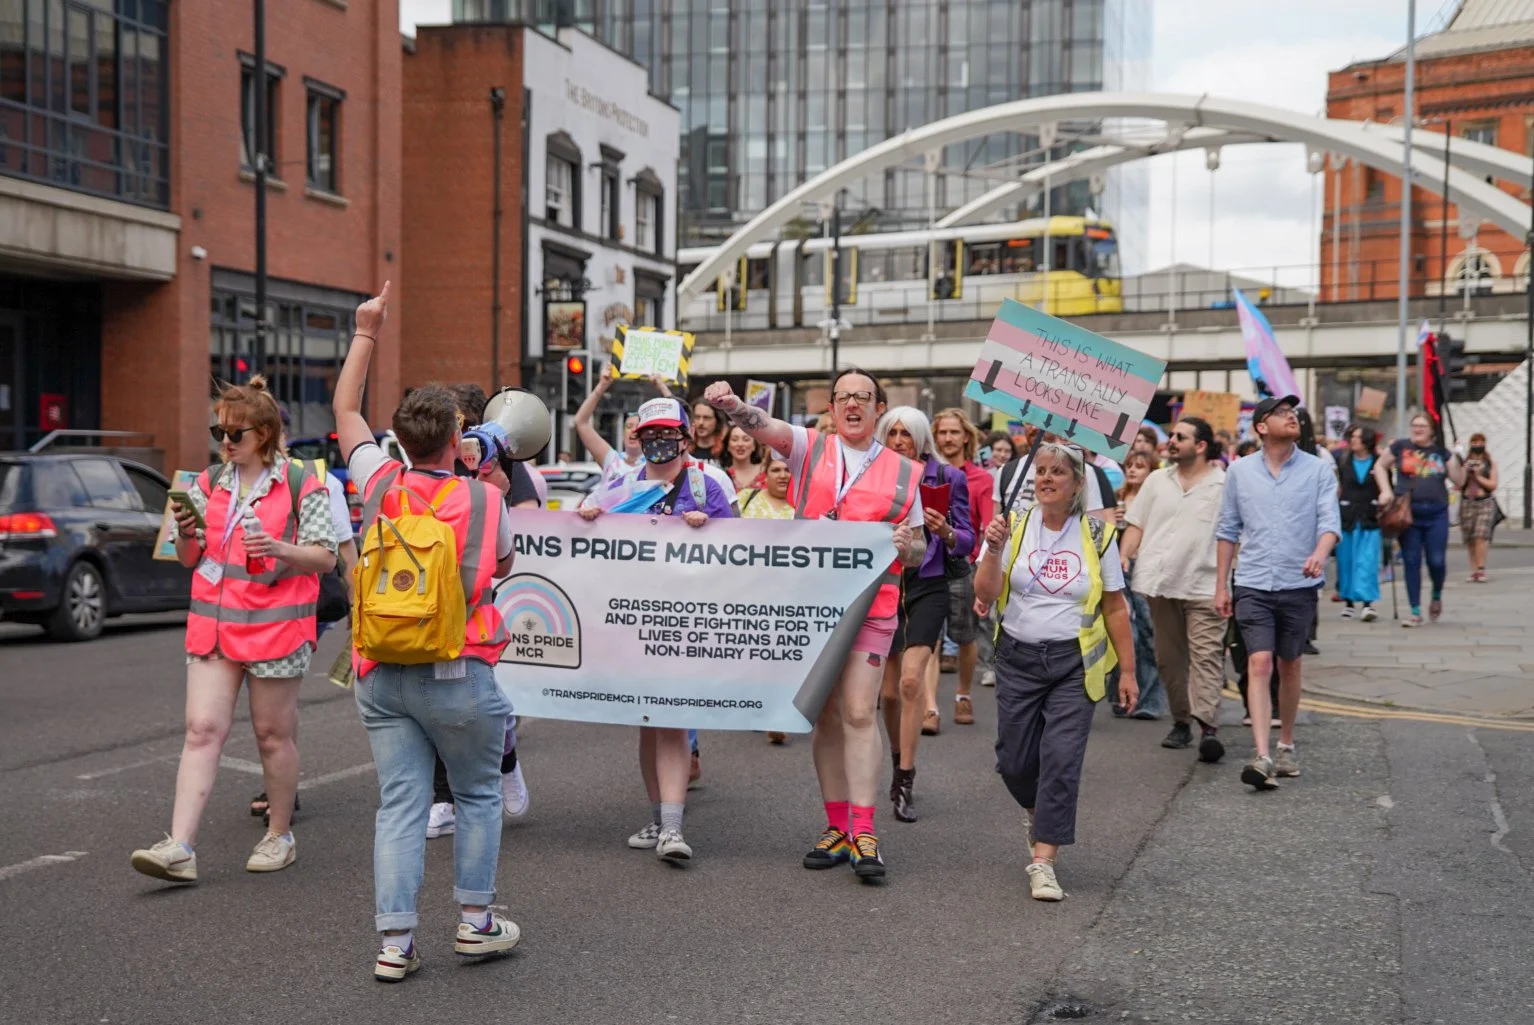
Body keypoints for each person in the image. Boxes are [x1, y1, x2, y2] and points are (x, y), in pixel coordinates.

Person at [336, 283, 521, 981]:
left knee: (401, 802)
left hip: (381, 669)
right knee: (475, 793)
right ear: (455, 438)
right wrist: (486, 481)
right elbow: (503, 563)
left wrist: (367, 330)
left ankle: (395, 940)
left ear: (401, 438)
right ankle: (475, 923)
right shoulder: (484, 497)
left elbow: (344, 409)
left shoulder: (378, 482)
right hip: (459, 667)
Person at [705, 369, 925, 880]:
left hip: (873, 605)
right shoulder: (810, 448)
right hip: (813, 606)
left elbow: (916, 548)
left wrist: (905, 546)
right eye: (844, 396)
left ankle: (866, 832)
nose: (853, 404)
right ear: (832, 407)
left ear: (878, 408)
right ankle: (838, 827)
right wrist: (734, 407)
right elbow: (764, 428)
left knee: (858, 712)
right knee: (825, 716)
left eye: (863, 397)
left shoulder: (902, 471)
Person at [131, 376, 338, 884]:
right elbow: (188, 560)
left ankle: (279, 834)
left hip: (275, 631)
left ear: (264, 434)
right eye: (219, 431)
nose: (225, 442)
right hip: (214, 629)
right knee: (201, 731)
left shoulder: (298, 483)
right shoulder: (202, 484)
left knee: (272, 736)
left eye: (236, 434)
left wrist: (278, 548)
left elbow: (327, 557)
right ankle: (180, 846)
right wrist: (183, 534)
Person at [974, 442, 1138, 902]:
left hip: (1073, 663)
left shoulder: (1098, 534)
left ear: (1077, 483)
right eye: (1041, 471)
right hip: (1018, 659)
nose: (1046, 478)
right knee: (1014, 761)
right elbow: (985, 593)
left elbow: (1115, 607)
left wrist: (1127, 672)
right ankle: (1038, 811)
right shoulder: (1015, 528)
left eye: (1057, 473)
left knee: (1062, 760)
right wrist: (992, 549)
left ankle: (1043, 860)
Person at [581, 397, 733, 862]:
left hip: (683, 626)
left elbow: (745, 552)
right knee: (648, 724)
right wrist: (589, 518)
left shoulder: (709, 487)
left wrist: (710, 529)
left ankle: (671, 828)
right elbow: (588, 530)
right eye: (650, 435)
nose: (659, 443)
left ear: (686, 439)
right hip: (632, 625)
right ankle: (658, 817)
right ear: (638, 438)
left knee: (668, 720)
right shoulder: (622, 485)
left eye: (669, 434)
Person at [425, 383, 540, 842]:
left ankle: (506, 759)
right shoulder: (429, 466)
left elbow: (521, 529)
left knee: (486, 704)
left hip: (480, 599)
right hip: (432, 604)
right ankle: (442, 799)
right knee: (436, 705)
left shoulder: (502, 462)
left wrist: (494, 495)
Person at [1215, 395, 1341, 791]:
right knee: (1259, 662)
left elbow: (1329, 522)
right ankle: (1262, 753)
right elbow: (1227, 529)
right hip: (1252, 582)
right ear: (1261, 427)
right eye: (1281, 413)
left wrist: (1319, 554)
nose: (1292, 416)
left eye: (1293, 413)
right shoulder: (1239, 472)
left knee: (1290, 664)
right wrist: (1222, 584)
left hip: (1299, 584)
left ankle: (1286, 744)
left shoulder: (1319, 470)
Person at [245, 405, 361, 825]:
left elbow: (344, 547)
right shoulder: (231, 480)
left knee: (280, 695)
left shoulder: (315, 479)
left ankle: (280, 790)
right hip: (247, 603)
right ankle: (280, 784)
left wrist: (358, 604)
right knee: (270, 700)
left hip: (303, 602)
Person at [875, 407, 972, 822]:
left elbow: (967, 540)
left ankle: (906, 777)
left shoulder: (949, 478)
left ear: (921, 438)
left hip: (928, 584)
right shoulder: (871, 476)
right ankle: (897, 759)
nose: (899, 440)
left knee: (912, 681)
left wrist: (946, 529)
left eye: (907, 433)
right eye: (892, 432)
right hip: (884, 584)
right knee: (890, 693)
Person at [1120, 417, 1228, 761]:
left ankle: (1208, 725)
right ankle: (1182, 721)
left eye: (1180, 437)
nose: (1172, 441)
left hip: (1204, 584)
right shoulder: (1156, 480)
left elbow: (1233, 536)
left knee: (1206, 655)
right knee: (1168, 659)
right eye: (1172, 435)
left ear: (1200, 446)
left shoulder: (1224, 485)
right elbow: (1136, 523)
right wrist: (1123, 556)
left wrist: (1229, 582)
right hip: (1159, 582)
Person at [927, 408, 994, 728]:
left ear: (966, 436)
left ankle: (963, 696)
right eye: (942, 433)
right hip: (927, 564)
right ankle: (930, 707)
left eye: (954, 432)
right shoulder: (924, 471)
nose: (948, 438)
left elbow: (982, 529)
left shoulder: (981, 479)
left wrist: (980, 572)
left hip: (963, 565)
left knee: (964, 635)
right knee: (929, 637)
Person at [1376, 413, 1464, 626]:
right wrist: (1385, 491)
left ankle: (1436, 594)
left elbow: (1459, 480)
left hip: (1436, 513)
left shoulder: (1442, 452)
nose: (1417, 429)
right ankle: (1414, 610)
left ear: (1432, 430)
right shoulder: (1400, 446)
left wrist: (1460, 458)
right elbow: (1380, 466)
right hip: (1408, 513)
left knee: (1437, 561)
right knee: (1411, 561)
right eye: (1414, 425)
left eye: (1422, 426)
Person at [1111, 451, 1168, 722]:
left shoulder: (1155, 498)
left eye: (1140, 467)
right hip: (1118, 567)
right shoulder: (1117, 496)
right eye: (1129, 466)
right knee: (1124, 632)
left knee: (1148, 632)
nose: (1132, 471)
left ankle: (1151, 700)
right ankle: (1120, 695)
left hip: (1145, 567)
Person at [1335, 426, 1391, 621]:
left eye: (1357, 437)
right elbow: (1339, 487)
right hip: (1347, 517)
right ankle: (1348, 601)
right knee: (1346, 560)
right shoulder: (1343, 461)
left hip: (1369, 517)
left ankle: (1367, 603)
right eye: (1352, 437)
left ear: (1367, 440)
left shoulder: (1379, 464)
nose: (1353, 440)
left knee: (1367, 560)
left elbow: (1386, 488)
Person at [1459, 432, 1500, 582]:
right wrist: (1464, 470)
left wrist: (1477, 475)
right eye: (1474, 443)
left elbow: (1493, 484)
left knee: (1481, 536)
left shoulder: (1490, 464)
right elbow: (1459, 483)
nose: (1477, 446)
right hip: (1467, 501)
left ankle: (1481, 569)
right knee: (1469, 538)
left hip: (1484, 502)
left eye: (1480, 443)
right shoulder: (1465, 462)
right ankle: (1473, 570)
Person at [720, 423, 767, 493]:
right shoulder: (721, 475)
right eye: (734, 439)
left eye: (746, 439)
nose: (740, 444)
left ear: (754, 446)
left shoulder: (767, 473)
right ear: (728, 446)